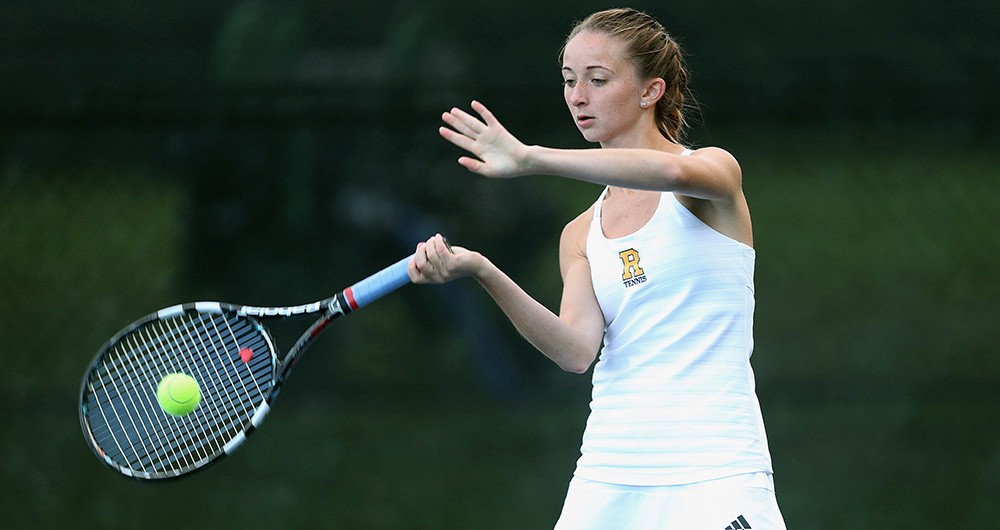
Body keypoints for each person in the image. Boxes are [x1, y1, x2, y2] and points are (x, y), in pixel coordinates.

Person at [409, 7, 785, 529]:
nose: (577, 96)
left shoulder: (713, 174)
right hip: (608, 474)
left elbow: (673, 170)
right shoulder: (580, 235)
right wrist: (481, 270)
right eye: (568, 80)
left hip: (716, 472)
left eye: (597, 79)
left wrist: (532, 158)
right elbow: (575, 351)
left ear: (651, 91)